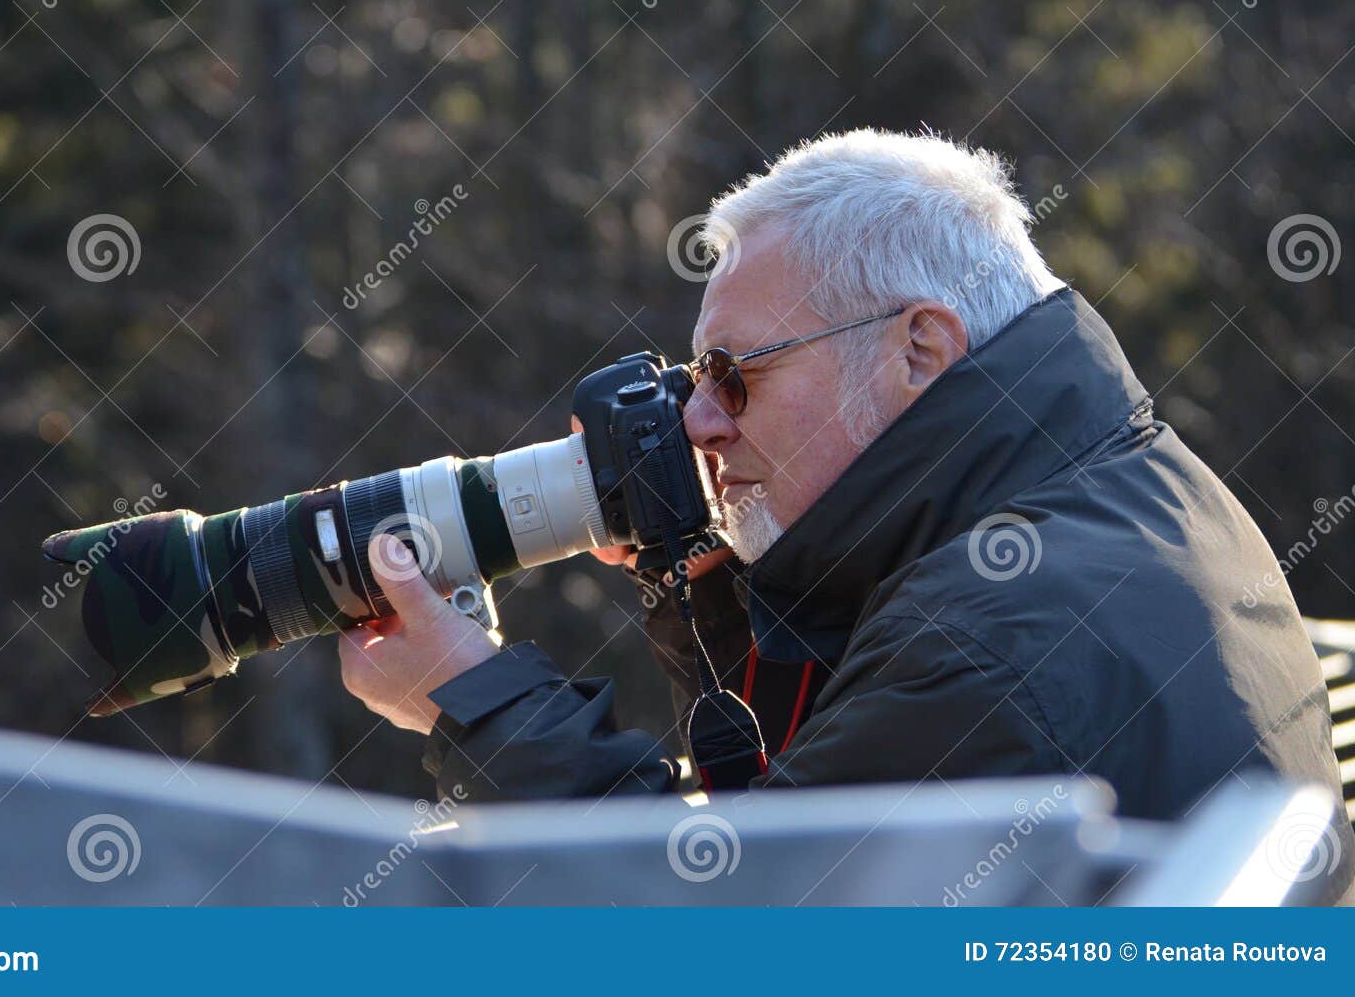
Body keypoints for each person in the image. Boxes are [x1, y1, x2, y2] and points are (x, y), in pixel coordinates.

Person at [339, 128, 1354, 903]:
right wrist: (697, 589)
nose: (696, 420)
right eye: (695, 378)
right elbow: (812, 811)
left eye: (734, 375)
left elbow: (707, 935)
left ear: (920, 348)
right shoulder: (1121, 494)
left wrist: (476, 699)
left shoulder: (991, 648)